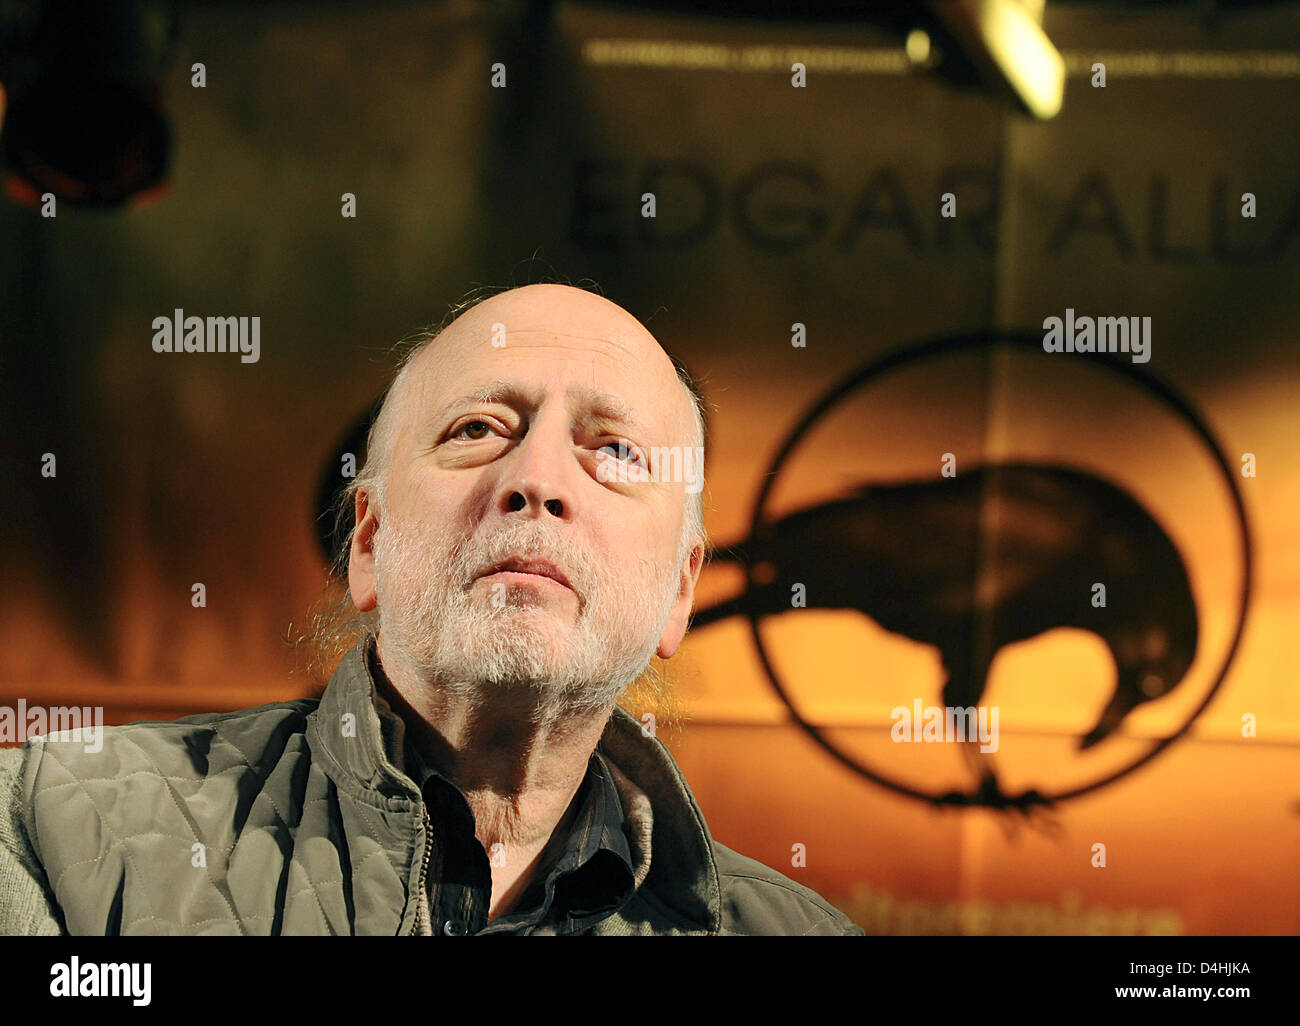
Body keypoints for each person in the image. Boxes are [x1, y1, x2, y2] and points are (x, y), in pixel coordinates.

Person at [0, 283, 864, 936]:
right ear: (367, 544)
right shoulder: (51, 825)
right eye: (478, 430)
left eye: (616, 451)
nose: (537, 481)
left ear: (680, 588)